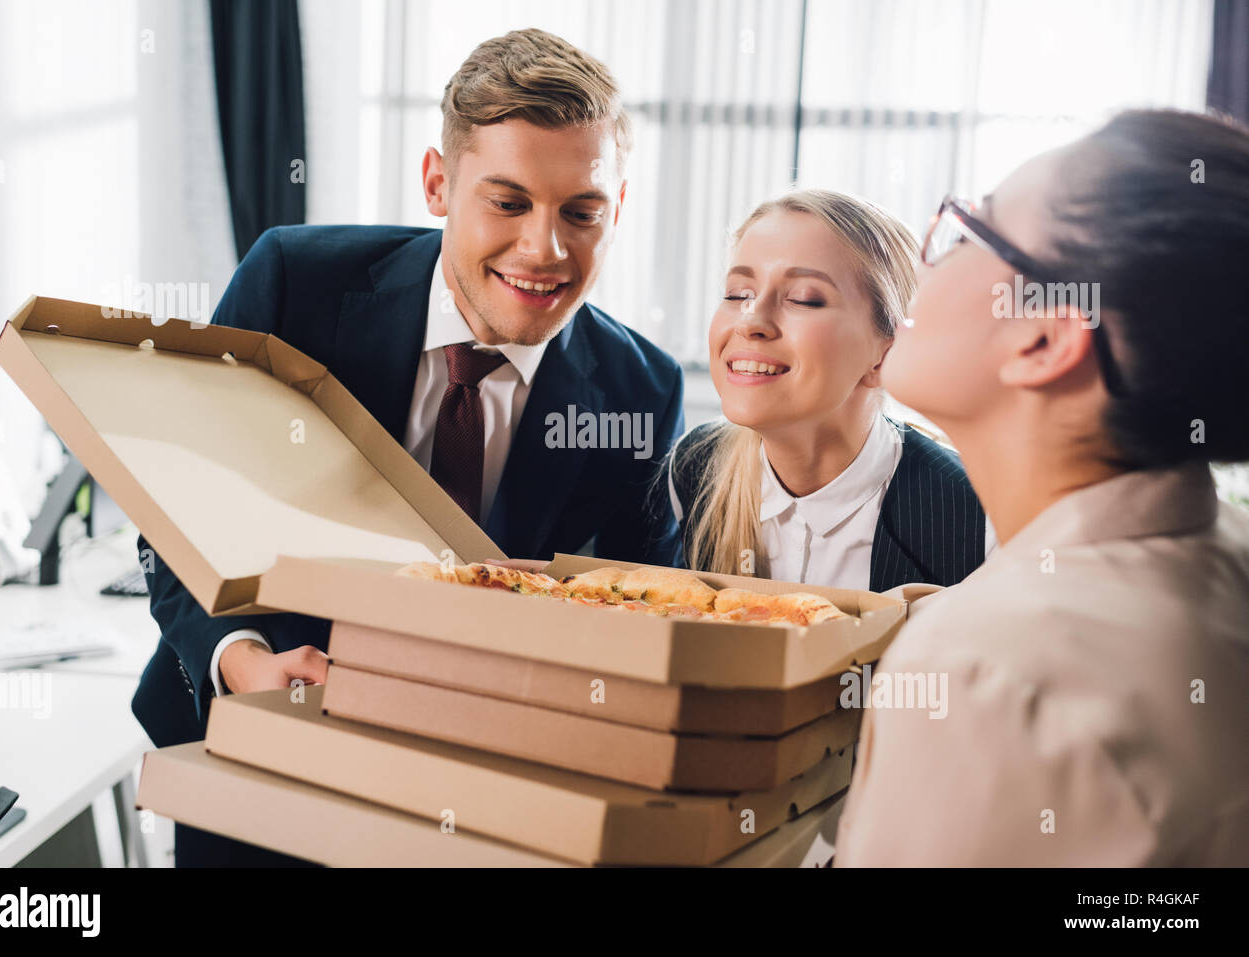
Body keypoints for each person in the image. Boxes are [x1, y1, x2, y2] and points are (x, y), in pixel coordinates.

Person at [133, 28, 684, 865]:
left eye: (582, 211)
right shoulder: (294, 286)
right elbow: (178, 516)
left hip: (493, 805)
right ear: (437, 182)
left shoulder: (643, 389)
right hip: (260, 766)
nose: (546, 249)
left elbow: (643, 626)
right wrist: (243, 661)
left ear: (619, 208)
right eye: (508, 202)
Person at [836, 109, 1249, 865]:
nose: (927, 261)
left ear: (1044, 339)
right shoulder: (1228, 553)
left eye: (966, 230)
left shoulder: (983, 670)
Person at [667, 189, 993, 591]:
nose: (751, 321)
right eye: (738, 294)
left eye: (804, 300)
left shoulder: (978, 520)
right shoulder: (693, 468)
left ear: (885, 354)